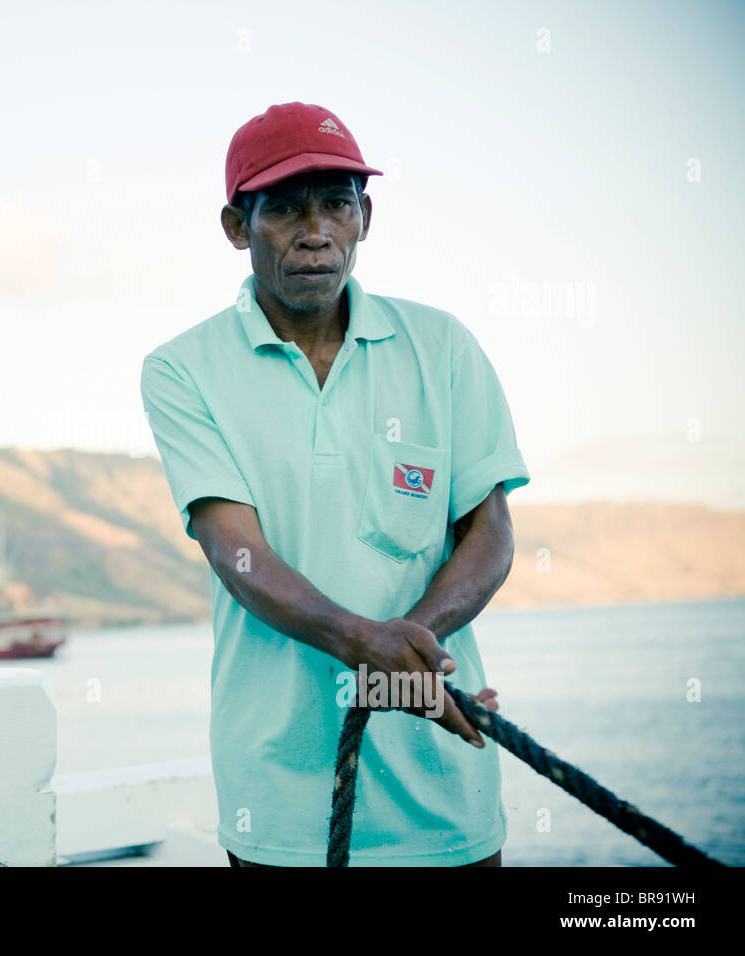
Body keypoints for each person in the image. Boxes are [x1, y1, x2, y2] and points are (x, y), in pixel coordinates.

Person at [140, 102, 530, 866]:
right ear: (234, 225)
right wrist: (372, 649)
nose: (316, 230)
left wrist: (407, 651)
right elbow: (235, 554)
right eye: (284, 209)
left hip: (445, 785)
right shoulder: (183, 369)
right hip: (280, 803)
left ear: (365, 217)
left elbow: (489, 532)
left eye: (337, 205)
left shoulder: (442, 346)